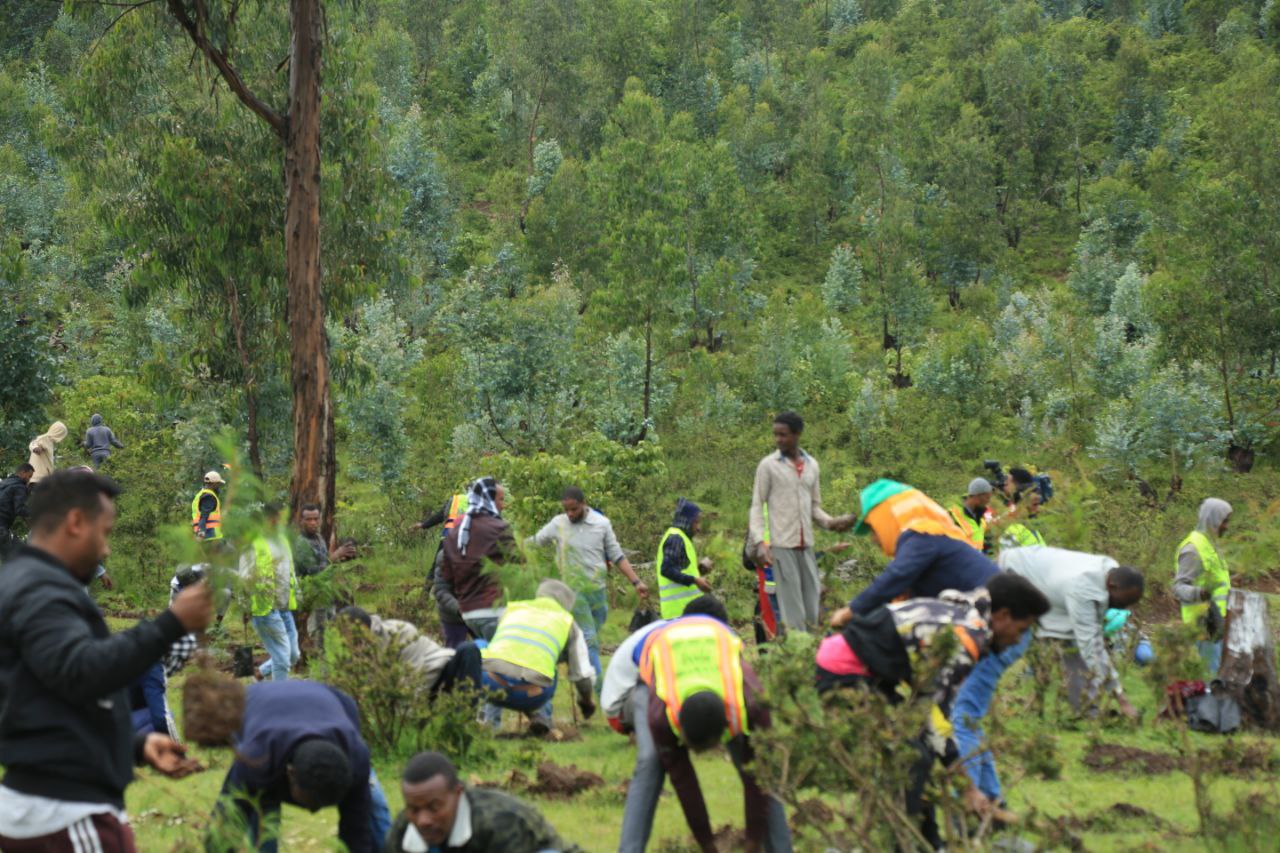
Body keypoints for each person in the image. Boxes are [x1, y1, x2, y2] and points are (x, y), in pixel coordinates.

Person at [0, 469, 212, 851]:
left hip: (51, 808)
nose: (107, 549)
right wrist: (172, 623)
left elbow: (55, 702)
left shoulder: (35, 583)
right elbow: (83, 672)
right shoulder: (39, 591)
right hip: (67, 815)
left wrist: (135, 745)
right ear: (76, 522)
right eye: (106, 532)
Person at [822, 575, 1050, 842]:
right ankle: (899, 842)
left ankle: (929, 843)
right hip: (845, 669)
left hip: (873, 673)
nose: (1017, 640)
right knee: (913, 757)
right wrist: (966, 786)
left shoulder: (973, 610)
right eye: (1022, 630)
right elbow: (937, 717)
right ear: (1002, 616)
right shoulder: (966, 640)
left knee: (920, 757)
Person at [619, 613, 792, 853]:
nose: (697, 755)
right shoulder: (661, 715)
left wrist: (752, 842)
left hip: (717, 640)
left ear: (724, 730)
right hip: (658, 656)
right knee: (650, 762)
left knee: (763, 773)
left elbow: (759, 780)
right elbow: (684, 783)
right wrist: (708, 845)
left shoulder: (753, 705)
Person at [194, 679, 390, 853]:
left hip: (327, 700)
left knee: (372, 807)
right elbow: (225, 826)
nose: (313, 812)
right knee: (263, 812)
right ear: (290, 774)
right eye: (311, 802)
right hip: (252, 707)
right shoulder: (255, 759)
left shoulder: (355, 758)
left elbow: (356, 832)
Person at [999, 546, 1145, 719]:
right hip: (1014, 572)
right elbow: (1091, 647)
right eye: (1123, 601)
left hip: (1045, 579)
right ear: (1111, 585)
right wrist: (1122, 699)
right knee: (1008, 642)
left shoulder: (1110, 570)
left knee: (1074, 644)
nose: (1123, 607)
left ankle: (1086, 709)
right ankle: (992, 700)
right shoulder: (1083, 589)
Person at [528, 486, 649, 686]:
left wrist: (636, 581)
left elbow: (616, 555)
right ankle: (600, 687)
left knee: (589, 635)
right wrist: (509, 545)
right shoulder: (558, 524)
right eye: (566, 509)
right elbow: (536, 541)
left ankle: (568, 654)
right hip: (573, 591)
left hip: (597, 591)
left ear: (584, 504)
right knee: (590, 638)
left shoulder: (601, 524)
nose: (570, 514)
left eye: (574, 509)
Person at [748, 411, 855, 632]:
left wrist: (832, 522)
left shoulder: (812, 465)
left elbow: (814, 507)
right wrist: (759, 541)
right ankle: (797, 655)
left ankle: (811, 656)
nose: (778, 439)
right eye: (775, 435)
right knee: (793, 613)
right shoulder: (768, 466)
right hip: (782, 548)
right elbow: (757, 505)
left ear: (797, 434)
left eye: (783, 435)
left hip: (806, 547)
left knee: (813, 609)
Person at [836, 479, 997, 620]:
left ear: (886, 518)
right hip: (988, 613)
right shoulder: (935, 534)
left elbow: (896, 576)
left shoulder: (923, 535)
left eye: (873, 528)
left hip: (997, 615)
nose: (873, 538)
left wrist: (851, 611)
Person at [385, 751, 579, 853]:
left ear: (458, 793)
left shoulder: (500, 822)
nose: (423, 820)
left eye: (434, 807)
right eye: (413, 809)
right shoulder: (402, 832)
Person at [479, 579, 595, 735]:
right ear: (567, 604)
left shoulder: (512, 610)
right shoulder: (568, 623)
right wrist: (587, 702)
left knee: (487, 652)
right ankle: (542, 718)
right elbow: (581, 674)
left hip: (489, 685)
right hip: (531, 695)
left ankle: (486, 723)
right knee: (546, 668)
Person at [600, 595, 729, 735]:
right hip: (621, 708)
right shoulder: (664, 636)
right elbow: (651, 679)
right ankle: (648, 736)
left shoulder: (680, 631)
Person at [337, 606, 483, 699]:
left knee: (469, 650)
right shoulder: (353, 654)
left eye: (348, 630)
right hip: (413, 692)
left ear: (362, 626)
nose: (347, 637)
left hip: (440, 672)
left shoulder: (399, 631)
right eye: (342, 633)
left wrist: (409, 714)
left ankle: (467, 722)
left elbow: (415, 674)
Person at [436, 478, 513, 642]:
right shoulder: (446, 554)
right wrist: (460, 609)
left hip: (478, 611)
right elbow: (441, 590)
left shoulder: (487, 549)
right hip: (456, 615)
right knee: (457, 653)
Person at [1173, 498, 1232, 675]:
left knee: (1217, 678)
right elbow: (1179, 587)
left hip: (1218, 624)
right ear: (1212, 519)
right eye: (1224, 521)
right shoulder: (1193, 549)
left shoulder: (1211, 545)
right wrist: (1200, 593)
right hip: (1202, 627)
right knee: (1208, 680)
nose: (1227, 526)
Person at [243, 503, 302, 681]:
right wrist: (245, 605)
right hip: (265, 609)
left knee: (293, 655)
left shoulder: (283, 541)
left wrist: (297, 593)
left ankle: (261, 672)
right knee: (283, 657)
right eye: (272, 519)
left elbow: (290, 570)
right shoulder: (252, 544)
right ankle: (281, 698)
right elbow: (244, 576)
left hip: (284, 607)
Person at [411, 492, 471, 648]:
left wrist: (423, 525)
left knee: (435, 568)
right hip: (467, 539)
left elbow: (440, 515)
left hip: (447, 536)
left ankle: (423, 597)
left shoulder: (455, 498)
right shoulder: (480, 501)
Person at [294, 503, 356, 645]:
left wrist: (344, 557)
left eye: (316, 519)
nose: (313, 523)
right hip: (311, 595)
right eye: (309, 519)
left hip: (326, 594)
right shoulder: (300, 544)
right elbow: (313, 572)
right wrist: (333, 557)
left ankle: (325, 662)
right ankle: (317, 664)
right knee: (318, 633)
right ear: (301, 521)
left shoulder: (319, 538)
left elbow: (325, 565)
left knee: (330, 630)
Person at [656, 498, 714, 619]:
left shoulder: (681, 538)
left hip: (685, 612)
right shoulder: (675, 538)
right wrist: (695, 580)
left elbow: (679, 570)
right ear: (686, 521)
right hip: (679, 613)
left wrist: (699, 571)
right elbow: (666, 569)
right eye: (696, 522)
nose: (698, 528)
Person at [949, 478, 993, 554]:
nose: (988, 501)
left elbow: (977, 540)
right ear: (977, 496)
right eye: (987, 497)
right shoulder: (952, 516)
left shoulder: (981, 518)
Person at [0, 463, 34, 559]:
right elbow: (19, 509)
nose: (29, 479)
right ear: (23, 473)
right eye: (29, 476)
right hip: (1, 527)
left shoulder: (4, 483)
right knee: (18, 556)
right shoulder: (19, 487)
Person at [192, 470, 226, 542]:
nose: (219, 486)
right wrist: (201, 531)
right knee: (232, 552)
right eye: (218, 484)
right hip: (211, 536)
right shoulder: (209, 497)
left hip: (207, 536)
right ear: (214, 484)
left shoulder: (201, 494)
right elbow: (204, 515)